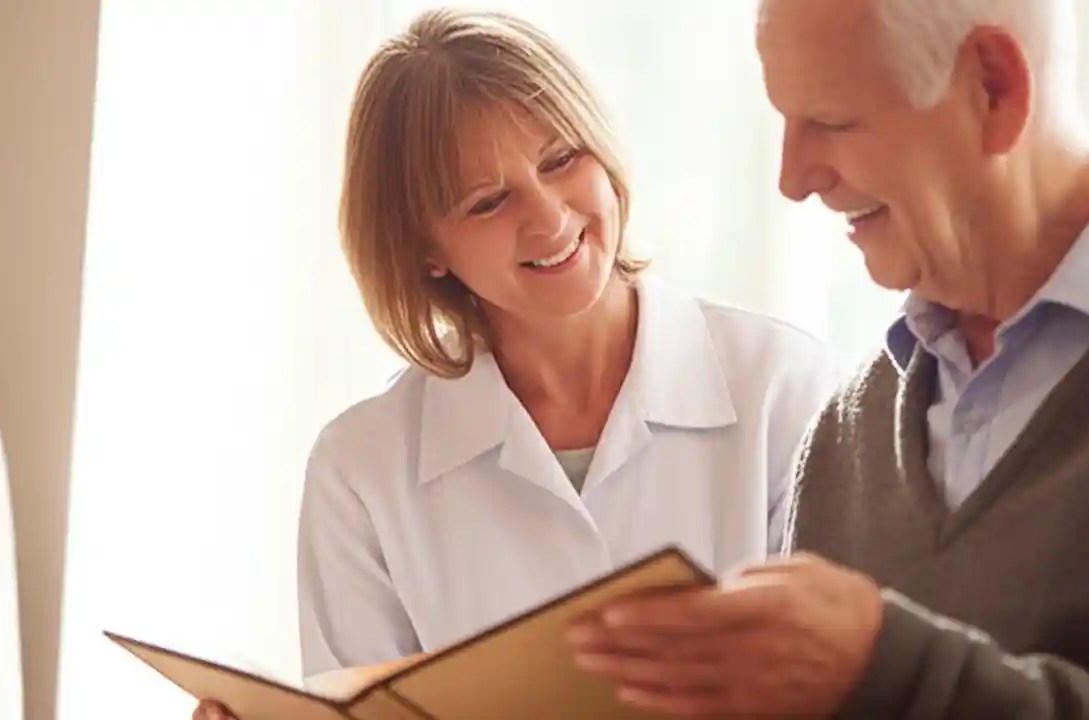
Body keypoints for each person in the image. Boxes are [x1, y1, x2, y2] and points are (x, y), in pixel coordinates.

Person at [569, 0, 1089, 717]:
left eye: (830, 123)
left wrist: (889, 670)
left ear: (994, 88)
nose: (794, 179)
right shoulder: (845, 436)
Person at [193, 7, 835, 720]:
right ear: (424, 250)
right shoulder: (361, 469)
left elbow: (839, 689)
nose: (550, 219)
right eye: (489, 202)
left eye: (561, 160)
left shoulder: (781, 386)